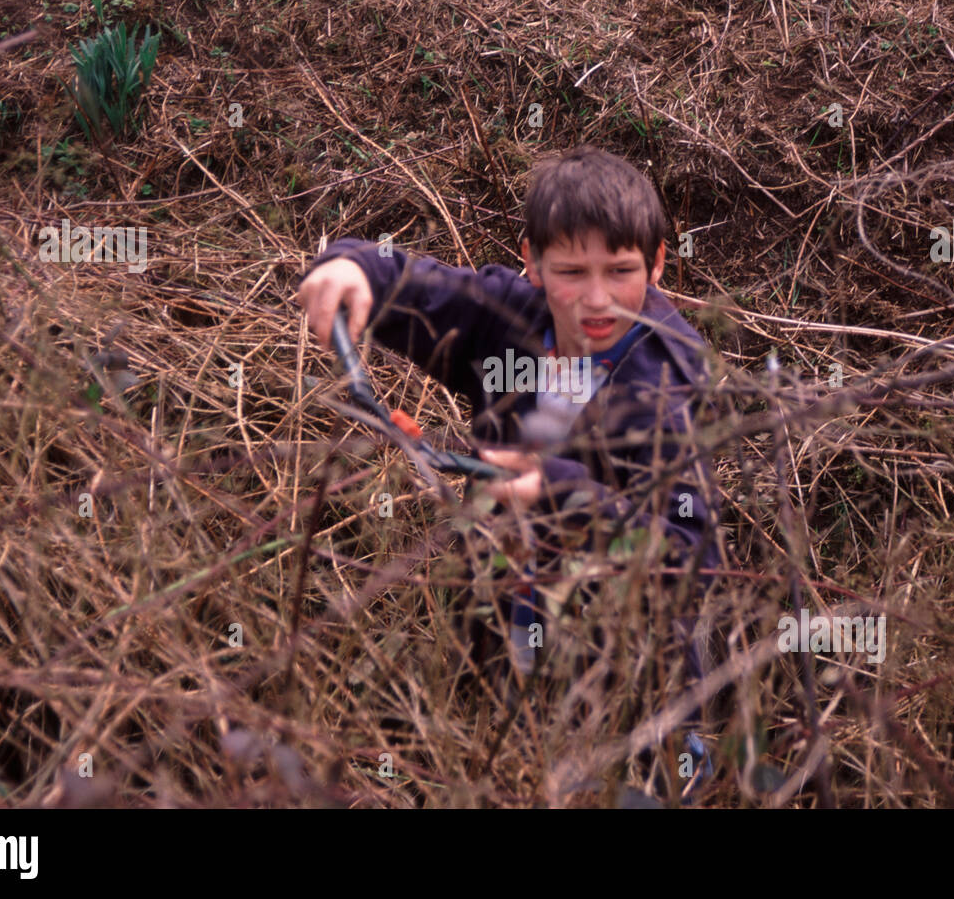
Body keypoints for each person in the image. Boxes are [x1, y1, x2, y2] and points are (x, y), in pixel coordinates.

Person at [297, 144, 721, 800]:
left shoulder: (664, 379)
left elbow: (686, 552)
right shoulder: (507, 316)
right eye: (572, 272)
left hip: (627, 672)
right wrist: (351, 267)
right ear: (532, 262)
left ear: (659, 263)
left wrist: (566, 495)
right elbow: (415, 282)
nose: (598, 299)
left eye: (623, 270)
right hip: (500, 622)